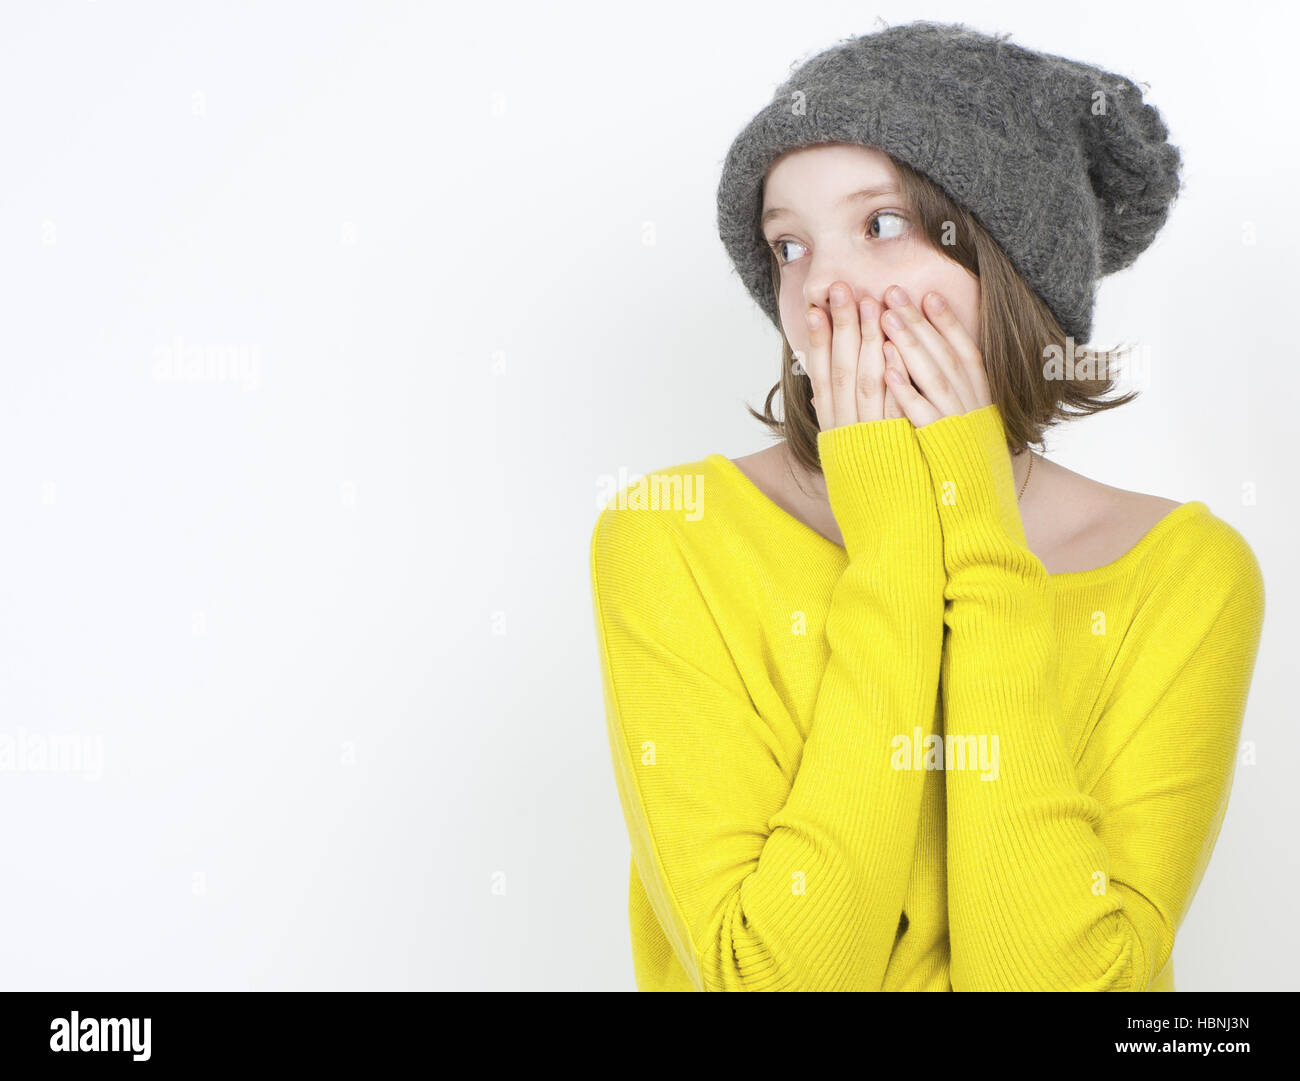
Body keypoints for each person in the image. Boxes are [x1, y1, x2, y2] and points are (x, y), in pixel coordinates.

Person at [588, 20, 1265, 992]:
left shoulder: (1185, 572)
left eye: (881, 224)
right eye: (787, 244)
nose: (821, 286)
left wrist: (974, 534)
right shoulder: (670, 532)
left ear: (1010, 263)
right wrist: (899, 549)